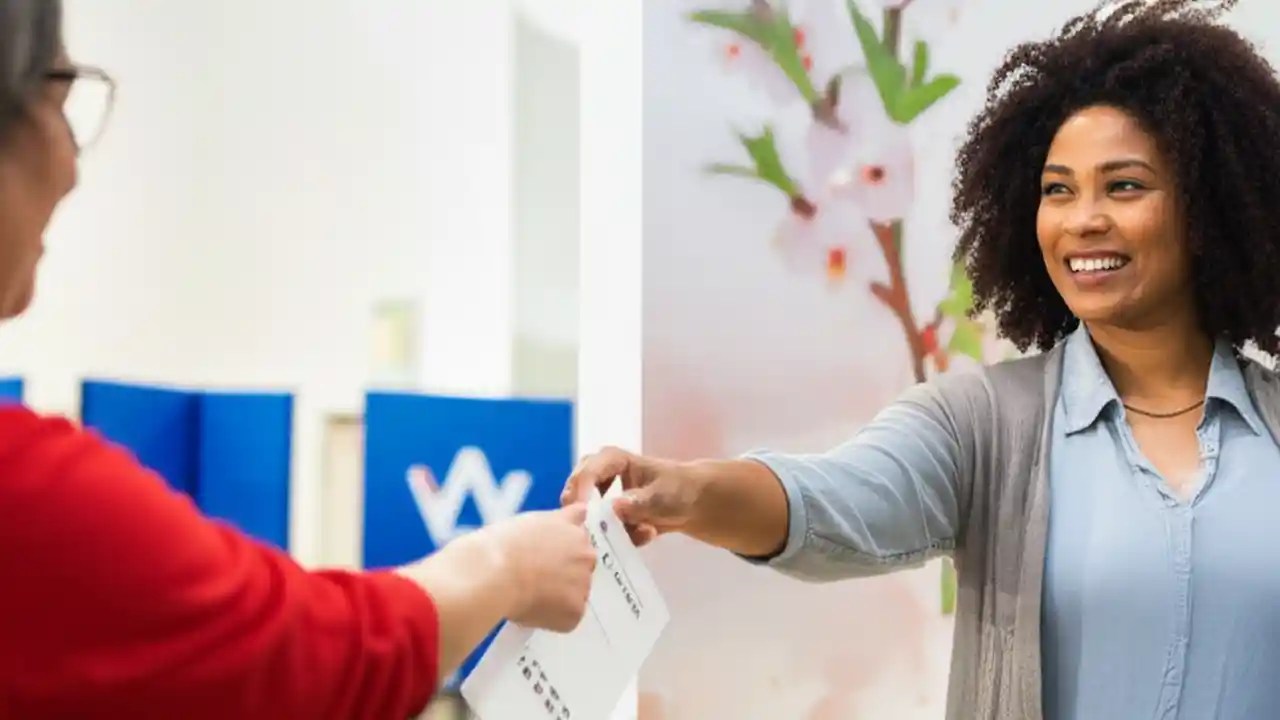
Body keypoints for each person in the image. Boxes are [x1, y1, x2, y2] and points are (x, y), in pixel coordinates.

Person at [565, 1, 1280, 718]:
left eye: (1124, 186)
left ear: (1209, 206)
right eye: (1057, 190)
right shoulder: (985, 426)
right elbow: (832, 497)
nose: (1083, 219)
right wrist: (690, 491)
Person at [0, 2, 596, 718]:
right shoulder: (26, 494)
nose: (71, 165)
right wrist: (506, 566)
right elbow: (312, 655)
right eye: (59, 97)